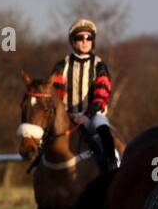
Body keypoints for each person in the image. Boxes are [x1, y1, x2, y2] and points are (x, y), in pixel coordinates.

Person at [50, 19, 118, 173]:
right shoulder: (62, 65)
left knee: (104, 131)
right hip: (67, 116)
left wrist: (87, 115)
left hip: (92, 115)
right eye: (80, 38)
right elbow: (55, 94)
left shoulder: (99, 65)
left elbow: (102, 94)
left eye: (89, 38)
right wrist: (65, 115)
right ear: (73, 42)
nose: (84, 41)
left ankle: (113, 168)